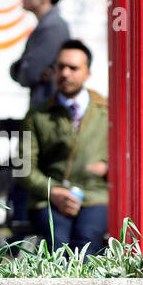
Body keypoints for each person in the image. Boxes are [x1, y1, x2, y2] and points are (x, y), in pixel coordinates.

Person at [22, 39, 110, 254]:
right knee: (58, 246)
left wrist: (107, 167)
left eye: (73, 68)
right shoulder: (36, 115)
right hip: (48, 198)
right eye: (60, 67)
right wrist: (54, 191)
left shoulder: (106, 111)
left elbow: (126, 157)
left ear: (87, 73)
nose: (65, 74)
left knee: (87, 243)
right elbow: (23, 168)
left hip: (95, 196)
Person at [10, 0, 71, 111]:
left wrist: (23, 69)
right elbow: (24, 71)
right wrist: (19, 69)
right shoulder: (46, 26)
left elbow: (29, 74)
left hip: (48, 114)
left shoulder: (52, 28)